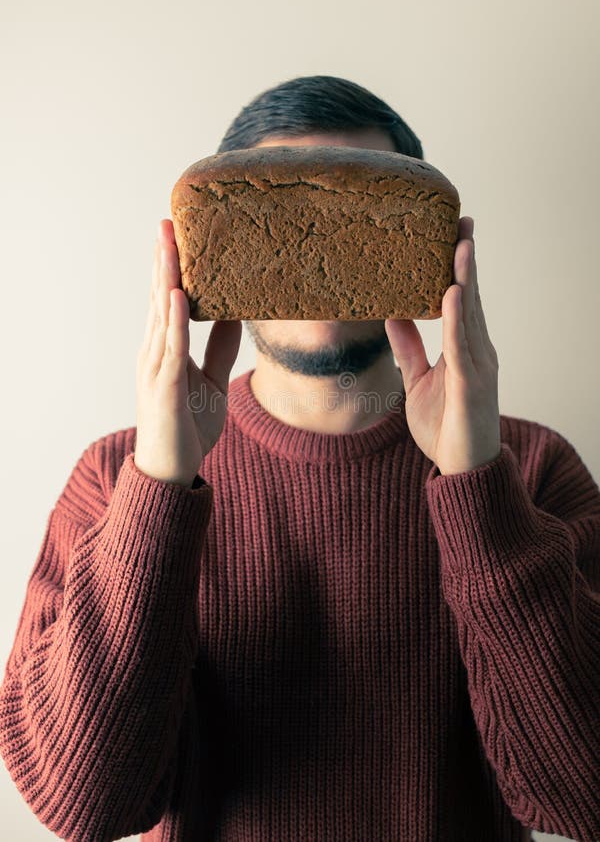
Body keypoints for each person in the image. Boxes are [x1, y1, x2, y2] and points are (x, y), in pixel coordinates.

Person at [0, 75, 598, 842]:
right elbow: (82, 804)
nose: (314, 255)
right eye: (279, 221)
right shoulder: (119, 475)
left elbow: (584, 799)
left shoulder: (532, 467)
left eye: (359, 220)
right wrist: (160, 483)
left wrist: (478, 481)